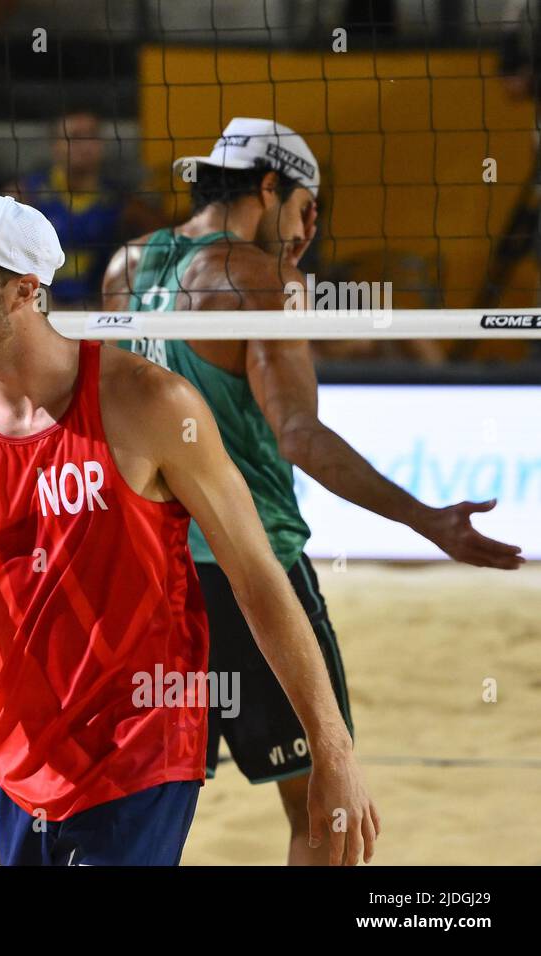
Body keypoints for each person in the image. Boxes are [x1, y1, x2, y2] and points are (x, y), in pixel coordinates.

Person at [0, 191, 378, 866]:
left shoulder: (149, 402)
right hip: (21, 761)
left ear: (24, 290)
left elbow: (259, 578)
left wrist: (333, 751)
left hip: (141, 751)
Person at [101, 117, 525, 865]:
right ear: (270, 186)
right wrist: (424, 518)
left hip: (144, 571)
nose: (310, 230)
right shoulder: (262, 279)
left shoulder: (127, 265)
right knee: (325, 809)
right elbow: (298, 434)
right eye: (307, 208)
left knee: (138, 814)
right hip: (248, 567)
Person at [11, 104, 166, 307]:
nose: (85, 146)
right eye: (75, 137)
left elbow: (165, 244)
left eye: (92, 136)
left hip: (98, 311)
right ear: (55, 145)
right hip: (38, 309)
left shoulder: (122, 202)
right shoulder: (25, 195)